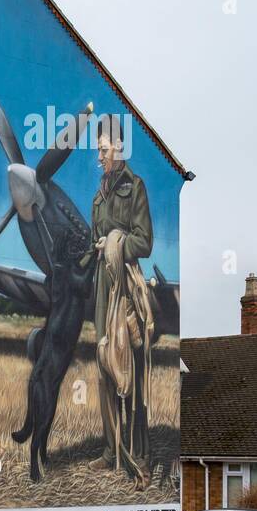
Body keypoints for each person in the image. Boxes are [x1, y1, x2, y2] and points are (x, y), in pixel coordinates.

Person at [82, 120, 154, 485]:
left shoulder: (135, 187)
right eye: (97, 149)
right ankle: (111, 450)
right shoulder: (97, 196)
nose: (100, 155)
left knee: (132, 367)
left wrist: (115, 242)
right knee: (103, 364)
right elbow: (95, 240)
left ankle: (138, 452)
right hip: (102, 287)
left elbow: (144, 242)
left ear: (120, 147)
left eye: (105, 149)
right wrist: (95, 247)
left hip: (126, 286)